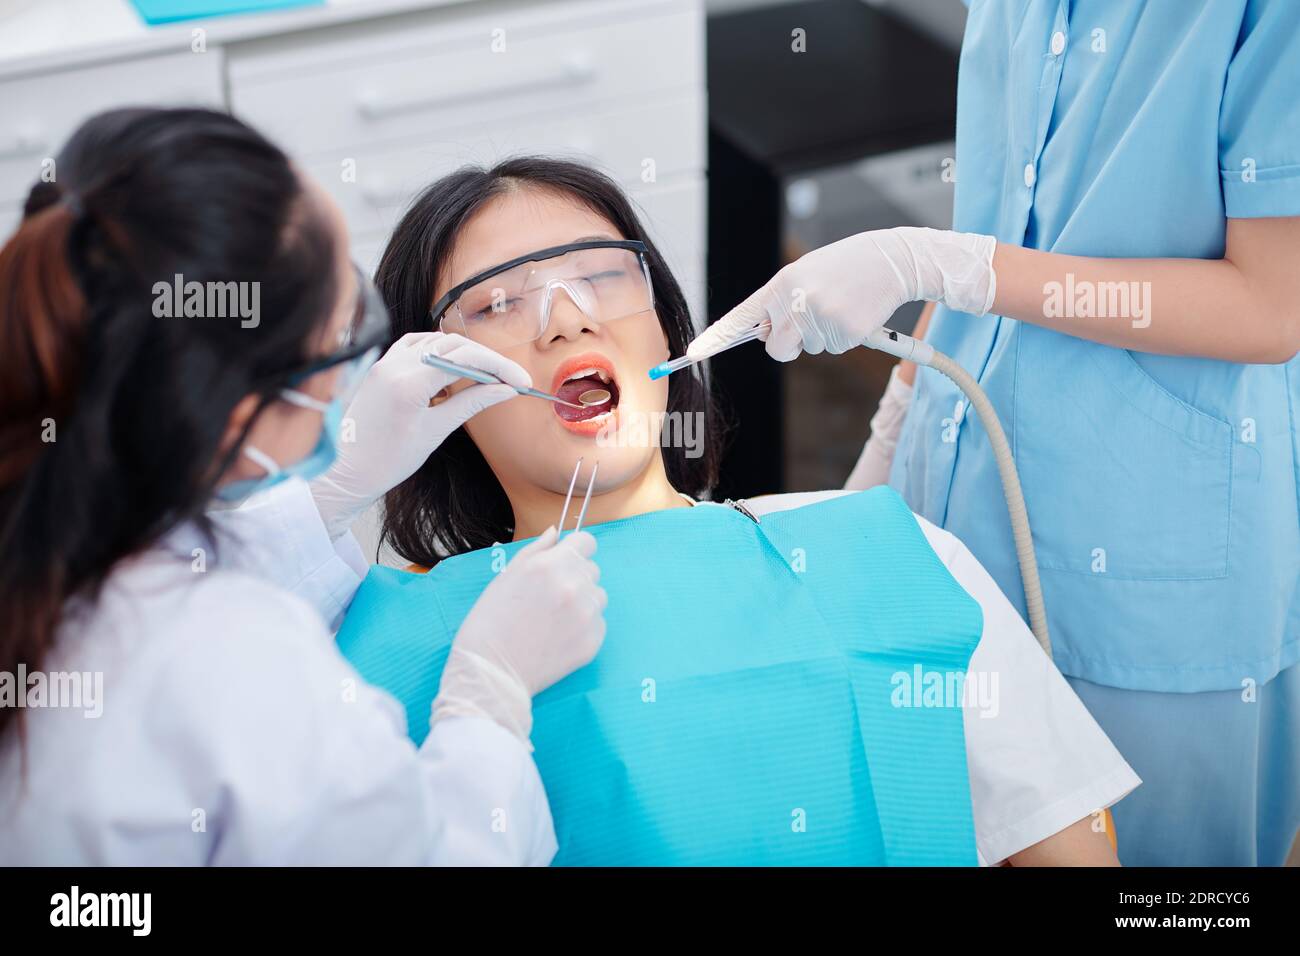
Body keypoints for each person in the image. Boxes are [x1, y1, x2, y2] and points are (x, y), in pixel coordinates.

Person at [337, 156, 1139, 866]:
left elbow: (1068, 848)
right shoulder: (389, 650)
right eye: (498, 303)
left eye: (601, 274)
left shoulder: (893, 556)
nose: (567, 318)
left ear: (666, 329)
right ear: (432, 388)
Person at [691, 0, 1300, 866]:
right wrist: (892, 437)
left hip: (1149, 565)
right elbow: (1001, 218)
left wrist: (931, 261)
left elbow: (1271, 306)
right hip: (955, 500)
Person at [0, 108, 606, 865]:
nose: (568, 325)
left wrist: (340, 485)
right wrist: (488, 696)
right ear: (235, 412)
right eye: (339, 334)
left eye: (600, 276)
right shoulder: (242, 660)